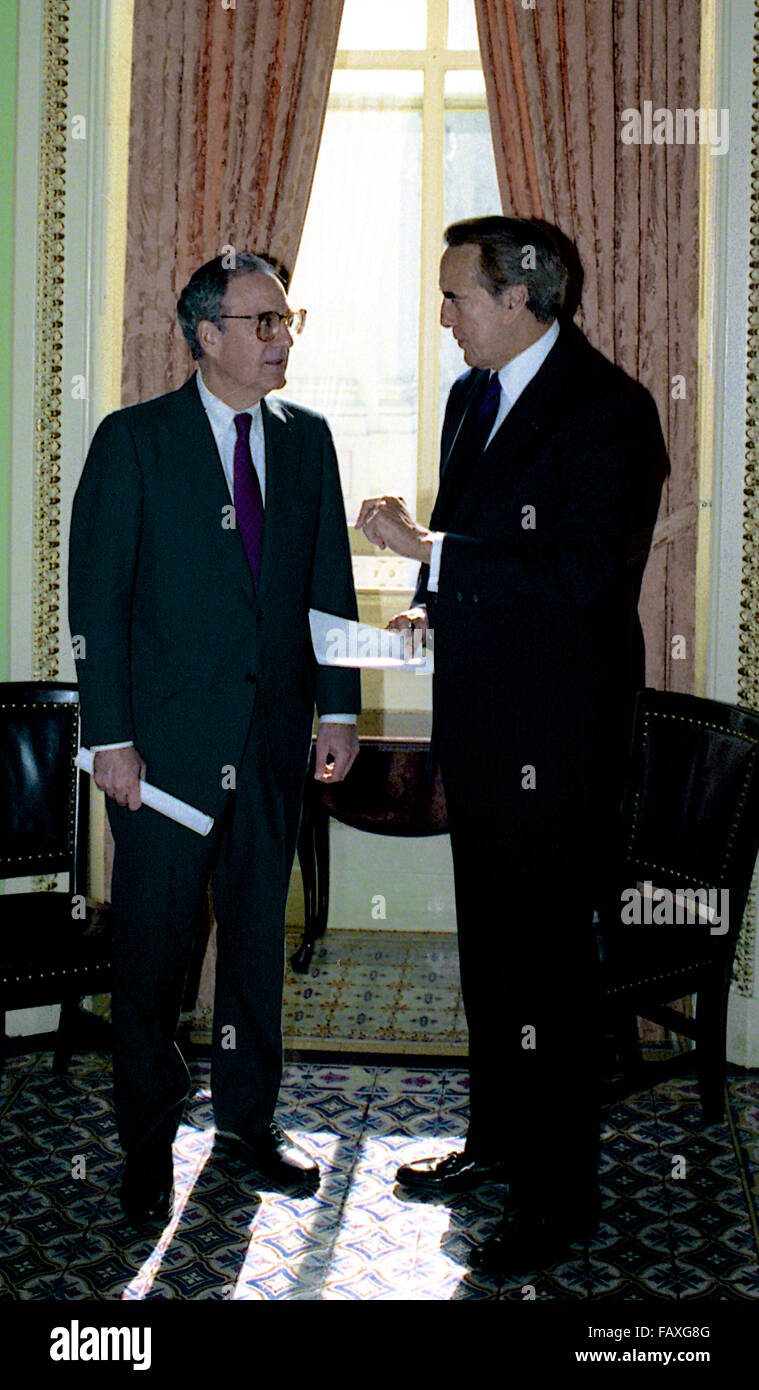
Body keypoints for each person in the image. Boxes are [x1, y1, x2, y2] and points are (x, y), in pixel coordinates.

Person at [356, 216, 668, 1272]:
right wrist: (430, 604)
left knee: (549, 974)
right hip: (482, 735)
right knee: (492, 959)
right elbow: (496, 569)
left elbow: (582, 579)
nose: (443, 319)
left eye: (456, 298)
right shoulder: (469, 397)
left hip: (561, 749)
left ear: (522, 298)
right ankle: (496, 1144)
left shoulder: (609, 412)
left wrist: (430, 548)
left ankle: (558, 1201)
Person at [69, 253, 360, 1225]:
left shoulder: (309, 442)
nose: (282, 337)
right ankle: (146, 1145)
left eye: (288, 319)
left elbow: (328, 587)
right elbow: (98, 604)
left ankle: (246, 1128)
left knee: (251, 954)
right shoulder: (134, 441)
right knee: (152, 957)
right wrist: (109, 738)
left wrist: (339, 709)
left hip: (274, 745)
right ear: (205, 334)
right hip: (161, 761)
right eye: (264, 321)